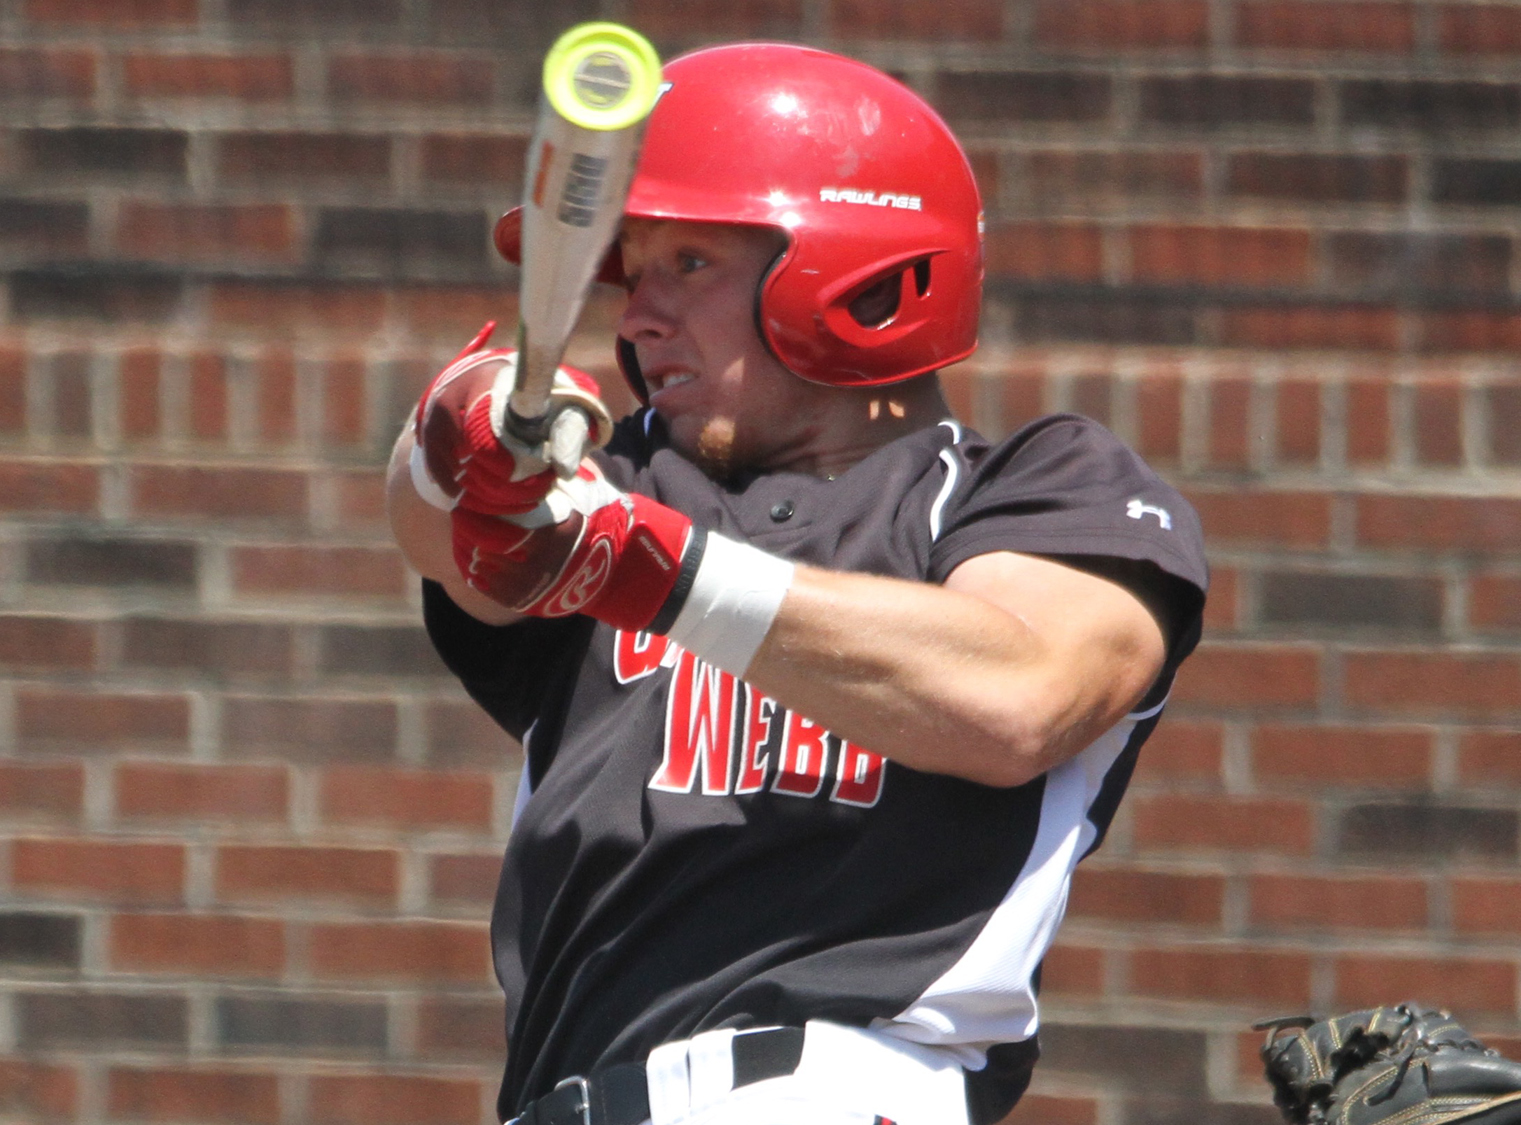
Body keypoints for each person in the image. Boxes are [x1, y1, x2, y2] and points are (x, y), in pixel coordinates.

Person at [385, 42, 1208, 1125]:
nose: (635, 318)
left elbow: (1018, 696)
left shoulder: (1032, 486)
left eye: (688, 265)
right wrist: (465, 430)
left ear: (851, 271)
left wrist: (651, 569)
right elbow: (445, 533)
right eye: (633, 274)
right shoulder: (627, 478)